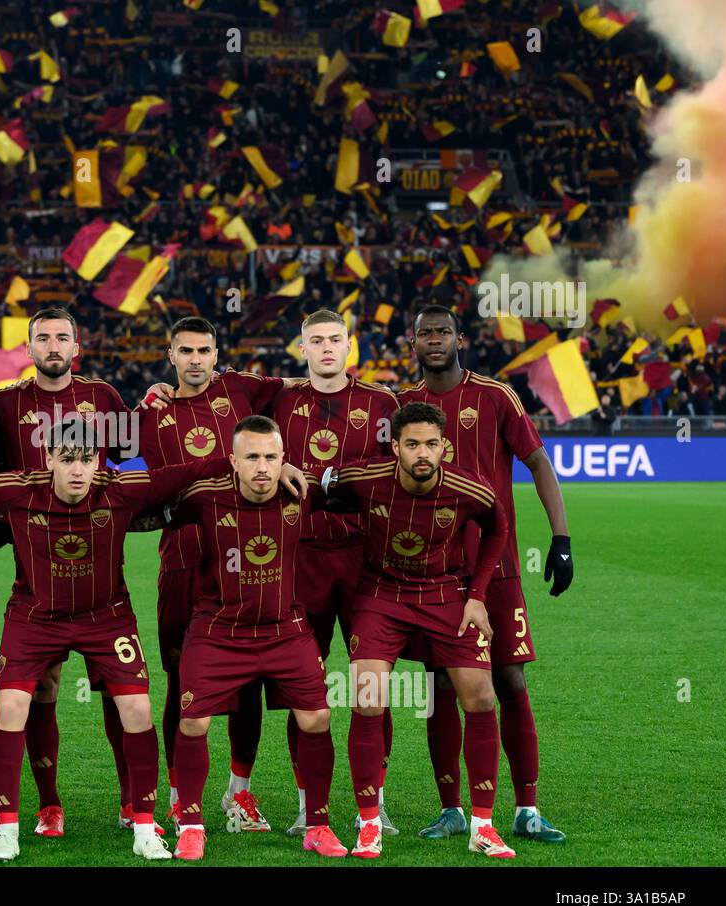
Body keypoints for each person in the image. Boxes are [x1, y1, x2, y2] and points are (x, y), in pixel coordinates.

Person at [0, 420, 306, 862]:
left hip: (105, 617)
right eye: (66, 459)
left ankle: (145, 828)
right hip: (35, 617)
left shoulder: (121, 488)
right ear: (49, 460)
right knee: (11, 706)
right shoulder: (14, 489)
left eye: (86, 460)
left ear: (98, 463)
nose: (76, 470)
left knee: (138, 708)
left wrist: (275, 466)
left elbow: (188, 471)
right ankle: (7, 829)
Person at [401, 306, 571, 844]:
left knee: (510, 679)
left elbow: (539, 462)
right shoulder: (403, 406)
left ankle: (527, 808)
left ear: (460, 339)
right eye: (425, 333)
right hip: (431, 573)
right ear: (414, 342)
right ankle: (452, 808)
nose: (434, 341)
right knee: (438, 686)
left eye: (442, 332)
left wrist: (561, 539)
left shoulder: (496, 397)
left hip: (496, 569)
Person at [322, 401, 517, 860]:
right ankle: (369, 823)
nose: (422, 453)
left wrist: (478, 594)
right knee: (367, 698)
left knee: (482, 697)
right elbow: (318, 486)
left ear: (445, 447)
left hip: (447, 596)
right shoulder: (364, 478)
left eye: (431, 443)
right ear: (396, 447)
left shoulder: (471, 489)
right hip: (380, 596)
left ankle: (483, 825)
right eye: (412, 444)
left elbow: (498, 528)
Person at [138, 316, 296, 833]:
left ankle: (239, 792)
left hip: (249, 559)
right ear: (171, 355)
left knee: (248, 679)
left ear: (216, 353)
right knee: (180, 682)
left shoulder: (241, 389)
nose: (196, 360)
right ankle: (180, 797)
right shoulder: (150, 411)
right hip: (182, 560)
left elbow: (302, 389)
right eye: (185, 351)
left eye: (204, 350)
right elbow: (113, 465)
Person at [0, 306, 138, 837]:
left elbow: (134, 463)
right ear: (28, 349)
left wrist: (116, 500)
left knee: (122, 691)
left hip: (98, 556)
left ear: (77, 346)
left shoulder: (107, 399)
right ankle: (49, 803)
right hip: (36, 566)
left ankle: (129, 801)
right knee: (41, 688)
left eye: (62, 338)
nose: (53, 346)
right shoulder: (2, 403)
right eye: (42, 338)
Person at [162, 415, 345, 862]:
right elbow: (152, 502)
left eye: (270, 457)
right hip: (218, 630)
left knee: (317, 719)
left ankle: (317, 826)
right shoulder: (205, 498)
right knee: (192, 723)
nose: (262, 467)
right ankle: (190, 824)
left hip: (286, 629)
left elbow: (360, 487)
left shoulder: (301, 494)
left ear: (285, 460)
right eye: (252, 458)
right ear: (233, 462)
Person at [269, 310, 401, 838]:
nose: (326, 348)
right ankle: (307, 803)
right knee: (305, 687)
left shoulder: (382, 404)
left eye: (335, 340)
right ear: (301, 348)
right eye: (315, 340)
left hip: (366, 561)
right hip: (299, 558)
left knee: (373, 685)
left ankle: (376, 802)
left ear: (352, 345)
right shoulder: (280, 401)